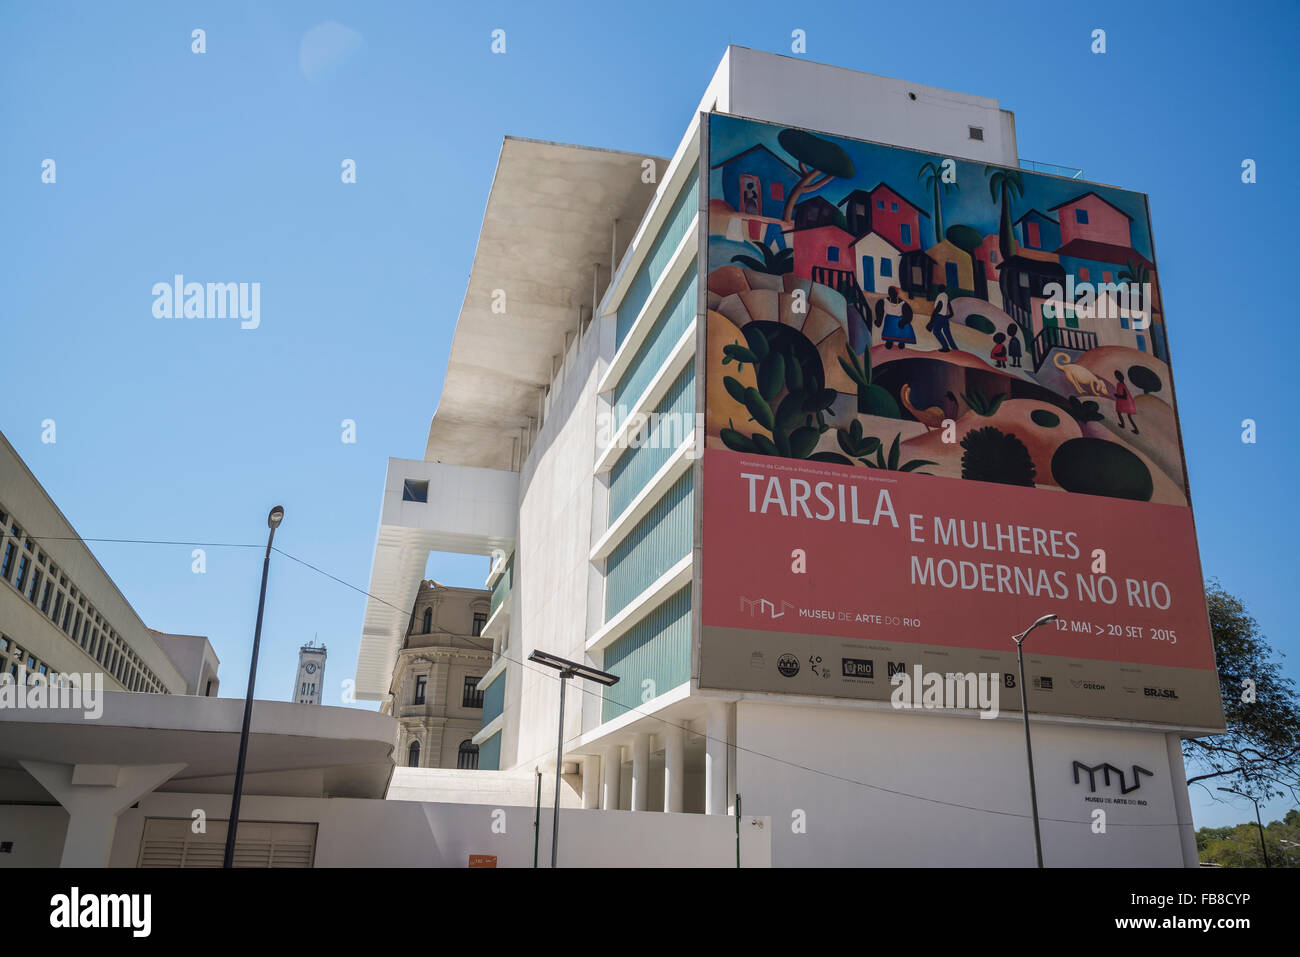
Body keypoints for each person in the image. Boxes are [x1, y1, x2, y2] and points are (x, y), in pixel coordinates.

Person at [1113, 369, 1139, 434]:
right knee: (1128, 416)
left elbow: (1124, 396)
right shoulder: (1122, 384)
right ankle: (1133, 429)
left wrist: (1117, 396)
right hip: (1128, 402)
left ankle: (1123, 425)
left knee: (1120, 413)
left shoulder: (1120, 385)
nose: (1116, 377)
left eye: (1116, 376)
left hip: (1126, 402)